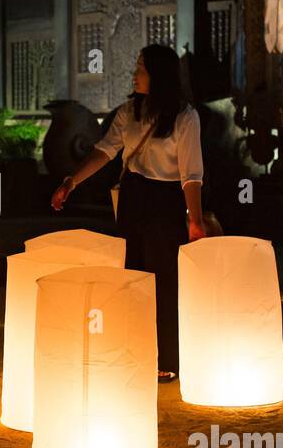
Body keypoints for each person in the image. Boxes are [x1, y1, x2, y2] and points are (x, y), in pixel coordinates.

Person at [50, 44, 206, 382]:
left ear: (158, 76)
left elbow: (190, 174)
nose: (134, 74)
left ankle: (166, 359)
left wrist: (195, 218)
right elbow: (105, 151)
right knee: (133, 275)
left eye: (141, 68)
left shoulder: (184, 116)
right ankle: (135, 351)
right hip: (134, 197)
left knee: (164, 280)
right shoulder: (128, 112)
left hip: (166, 202)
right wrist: (71, 182)